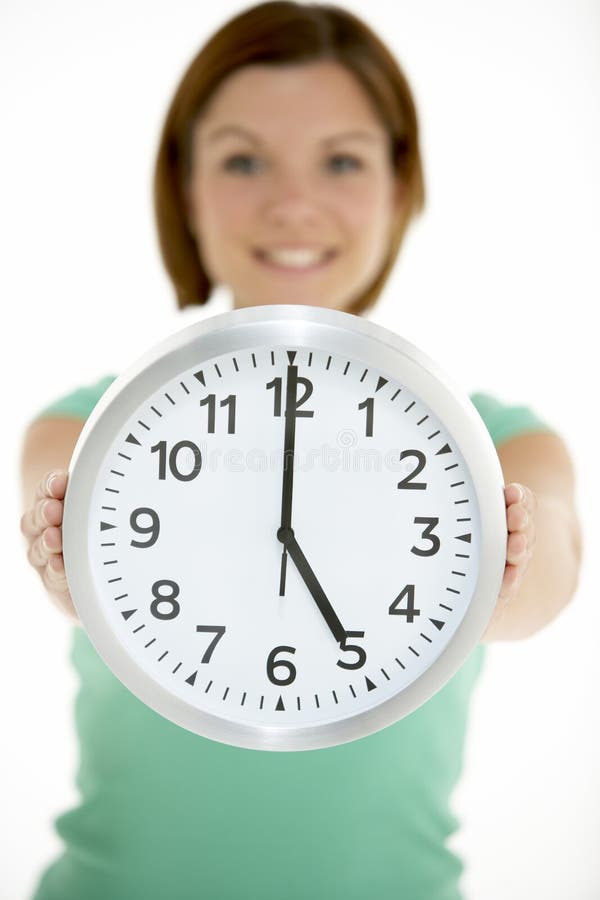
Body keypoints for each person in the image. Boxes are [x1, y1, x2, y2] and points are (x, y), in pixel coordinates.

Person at [19, 3, 582, 899]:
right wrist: (65, 567)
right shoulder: (89, 423)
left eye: (343, 160)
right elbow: (65, 525)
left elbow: (549, 571)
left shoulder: (494, 441)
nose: (292, 202)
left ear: (401, 189)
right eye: (243, 159)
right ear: (186, 187)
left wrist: (508, 558)